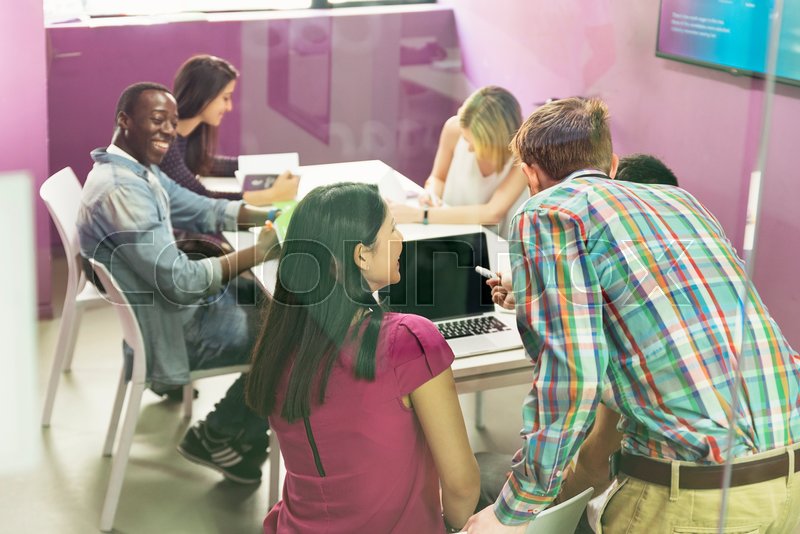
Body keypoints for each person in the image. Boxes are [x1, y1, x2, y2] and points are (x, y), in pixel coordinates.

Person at [464, 97, 800, 533]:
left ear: (529, 173)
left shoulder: (545, 211)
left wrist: (513, 511)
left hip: (698, 495)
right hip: (790, 473)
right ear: (613, 163)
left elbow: (572, 376)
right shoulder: (682, 203)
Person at [77, 82, 281, 485]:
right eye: (157, 120)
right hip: (175, 330)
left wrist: (269, 213)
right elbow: (182, 282)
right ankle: (222, 433)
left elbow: (199, 207)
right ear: (124, 120)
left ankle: (239, 430)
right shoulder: (122, 192)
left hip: (170, 313)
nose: (169, 130)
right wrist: (257, 253)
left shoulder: (136, 171)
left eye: (172, 122)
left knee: (274, 304)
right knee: (288, 337)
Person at [245, 182, 480, 533]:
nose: (402, 238)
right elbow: (461, 487)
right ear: (361, 255)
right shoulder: (408, 340)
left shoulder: (279, 344)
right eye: (393, 229)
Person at [160, 54, 299, 205]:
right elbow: (200, 198)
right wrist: (271, 196)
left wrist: (270, 166)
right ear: (203, 95)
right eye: (226, 98)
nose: (229, 107)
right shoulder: (164, 141)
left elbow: (206, 163)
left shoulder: (185, 135)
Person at [389, 85, 529, 234]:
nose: (468, 149)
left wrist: (418, 215)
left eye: (474, 143)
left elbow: (492, 213)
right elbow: (438, 177)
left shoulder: (523, 156)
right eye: (465, 139)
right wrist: (432, 194)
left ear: (495, 140)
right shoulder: (453, 129)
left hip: (487, 243)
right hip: (446, 230)